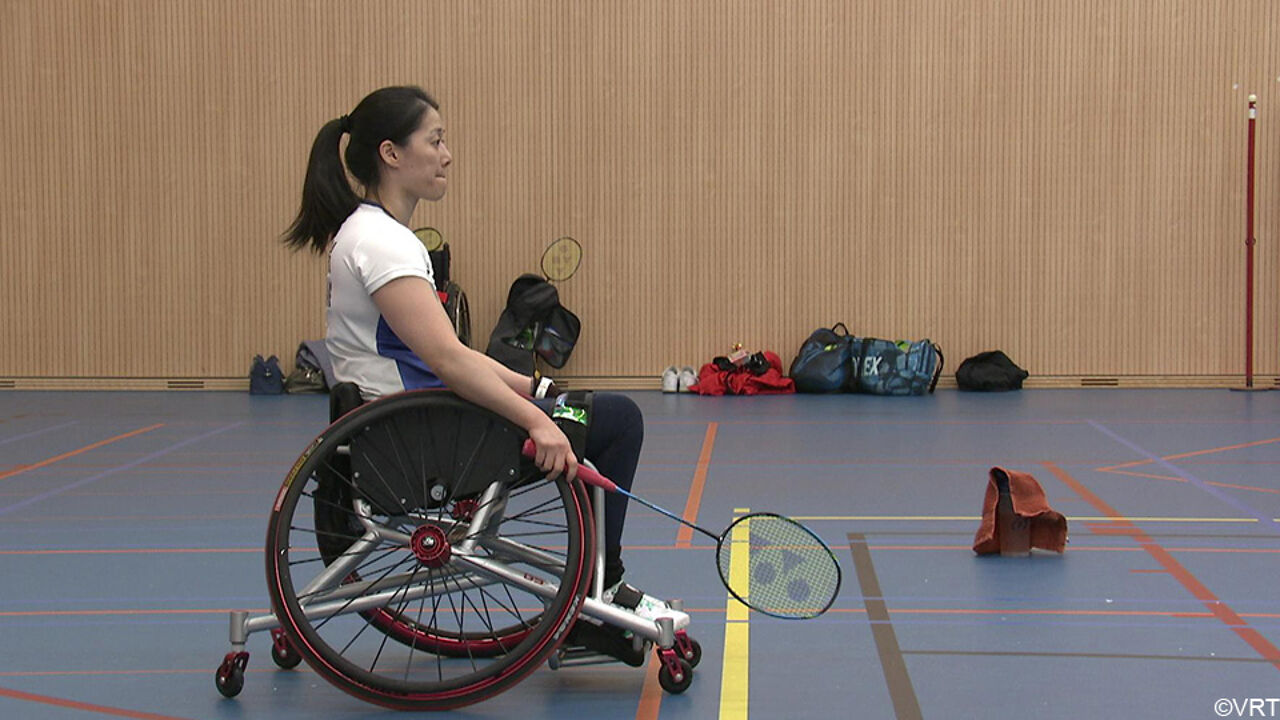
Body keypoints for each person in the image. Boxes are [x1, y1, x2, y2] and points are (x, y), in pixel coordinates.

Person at [282, 86, 686, 660]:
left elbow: (442, 355)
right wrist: (536, 420)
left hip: (417, 424)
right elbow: (447, 362)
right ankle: (601, 590)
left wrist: (537, 389)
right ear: (392, 153)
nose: (447, 154)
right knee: (616, 421)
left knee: (585, 409)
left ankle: (597, 587)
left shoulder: (370, 234)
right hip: (424, 440)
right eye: (436, 140)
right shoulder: (381, 244)